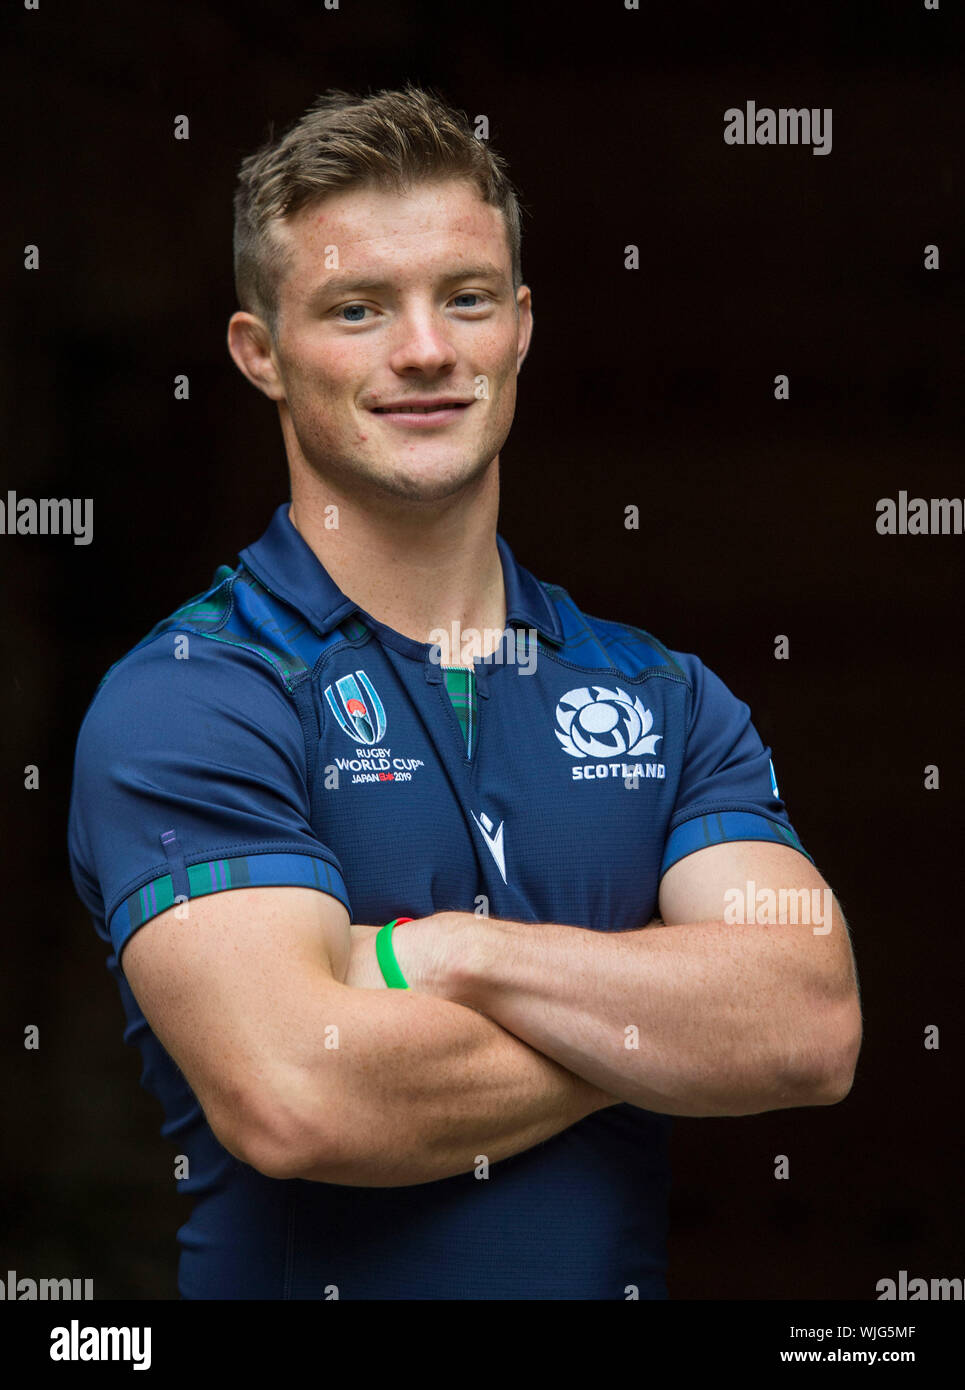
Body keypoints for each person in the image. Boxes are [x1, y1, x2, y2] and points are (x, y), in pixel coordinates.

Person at [67, 83, 862, 1300]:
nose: (425, 349)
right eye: (357, 308)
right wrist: (664, 1027)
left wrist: (450, 957)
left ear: (522, 327)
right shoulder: (192, 697)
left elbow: (807, 1022)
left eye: (466, 298)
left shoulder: (661, 693)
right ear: (259, 354)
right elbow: (301, 1094)